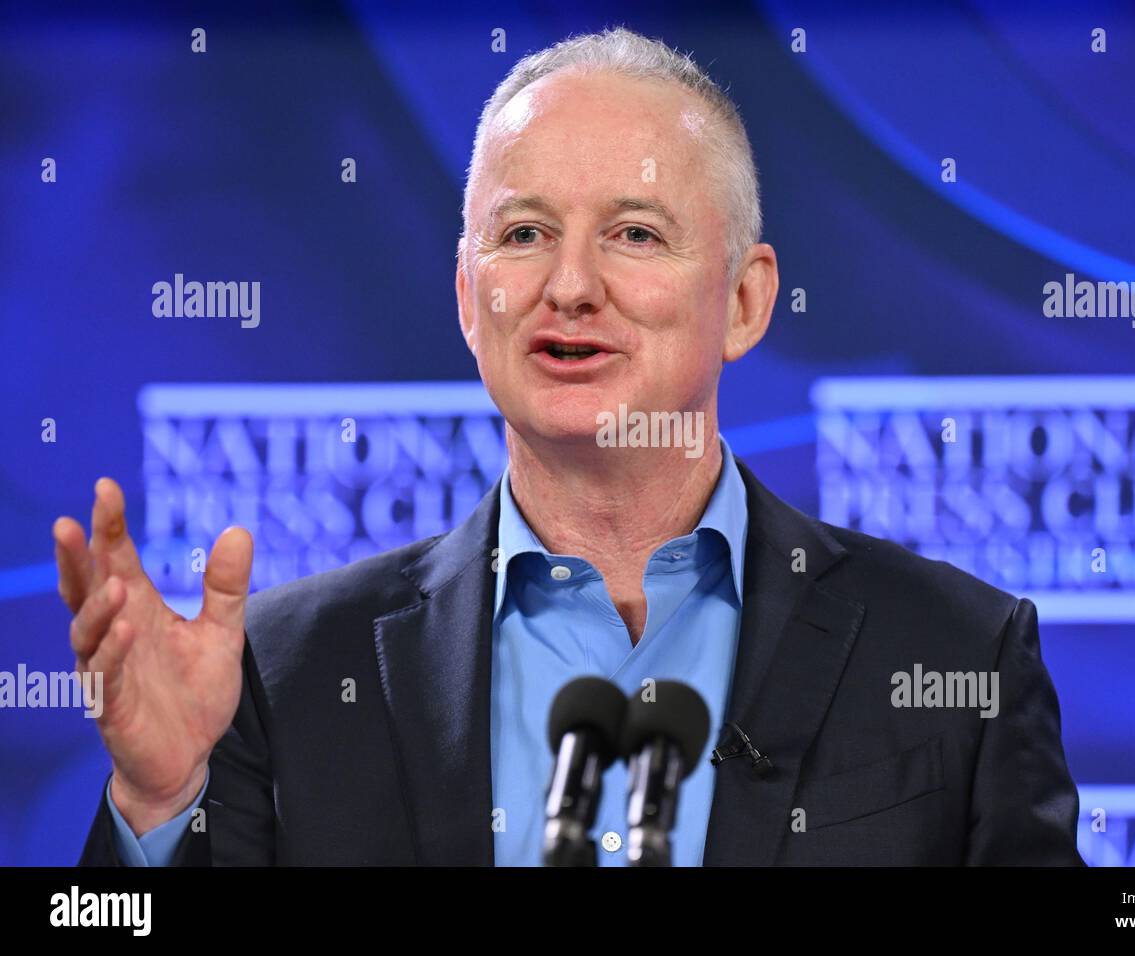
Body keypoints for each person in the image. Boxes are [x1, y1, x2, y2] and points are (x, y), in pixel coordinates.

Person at [60, 27, 1083, 866]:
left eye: (635, 233)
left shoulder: (956, 655)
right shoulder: (281, 674)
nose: (569, 286)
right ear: (469, 298)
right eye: (522, 234)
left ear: (744, 298)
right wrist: (155, 802)